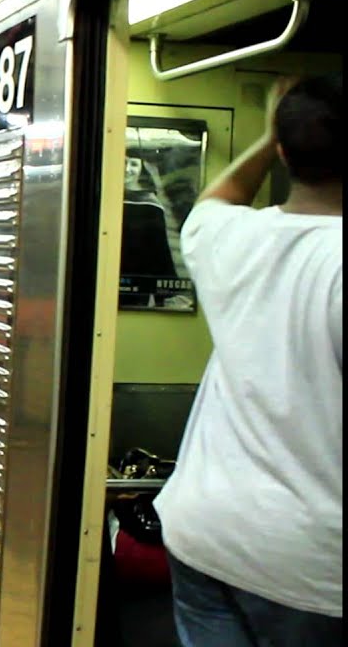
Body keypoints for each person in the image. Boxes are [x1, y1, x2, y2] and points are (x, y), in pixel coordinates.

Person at [154, 74, 342, 646]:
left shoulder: (225, 237)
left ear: (285, 153)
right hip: (311, 564)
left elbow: (220, 194)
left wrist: (267, 134)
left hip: (206, 533)